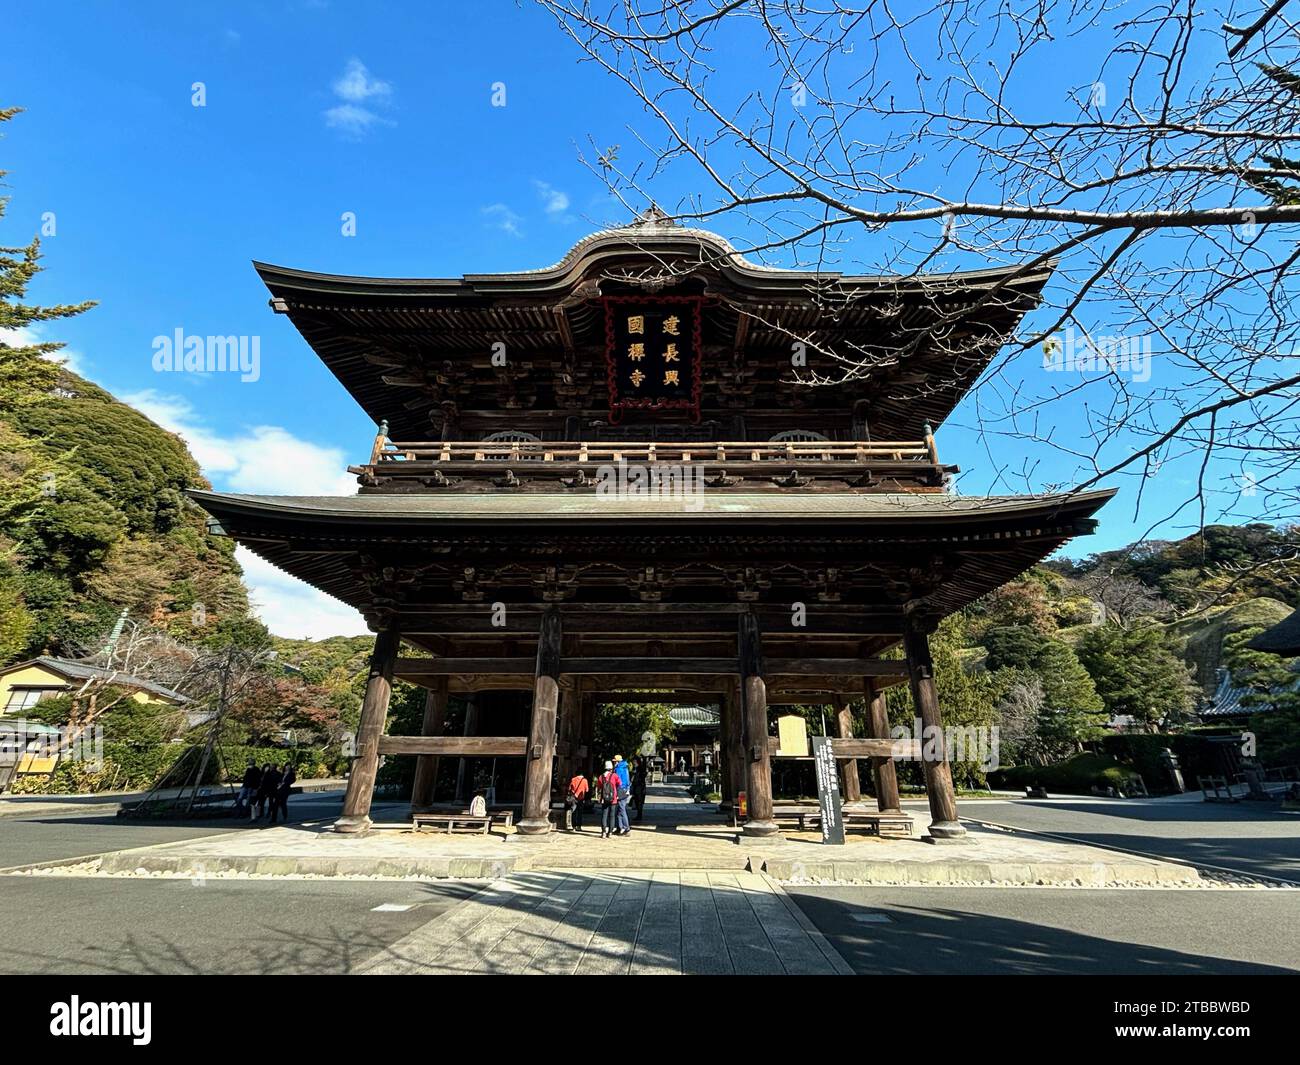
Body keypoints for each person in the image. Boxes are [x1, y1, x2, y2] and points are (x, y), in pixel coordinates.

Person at [597, 760, 621, 838]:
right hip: (613, 798)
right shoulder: (614, 776)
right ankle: (610, 832)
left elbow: (599, 787)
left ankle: (603, 831)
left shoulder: (601, 777)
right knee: (612, 815)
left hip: (604, 798)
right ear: (611, 768)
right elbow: (619, 784)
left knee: (604, 815)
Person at [613, 754, 631, 836]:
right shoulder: (625, 767)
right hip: (625, 789)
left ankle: (626, 828)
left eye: (614, 761)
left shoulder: (618, 769)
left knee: (622, 809)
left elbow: (617, 781)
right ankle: (619, 827)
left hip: (620, 790)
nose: (614, 763)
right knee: (619, 810)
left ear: (617, 761)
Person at [632, 757, 648, 822]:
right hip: (636, 787)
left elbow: (643, 776)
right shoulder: (635, 768)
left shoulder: (640, 769)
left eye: (634, 761)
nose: (633, 763)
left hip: (640, 788)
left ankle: (639, 816)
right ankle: (638, 815)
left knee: (639, 802)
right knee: (637, 801)